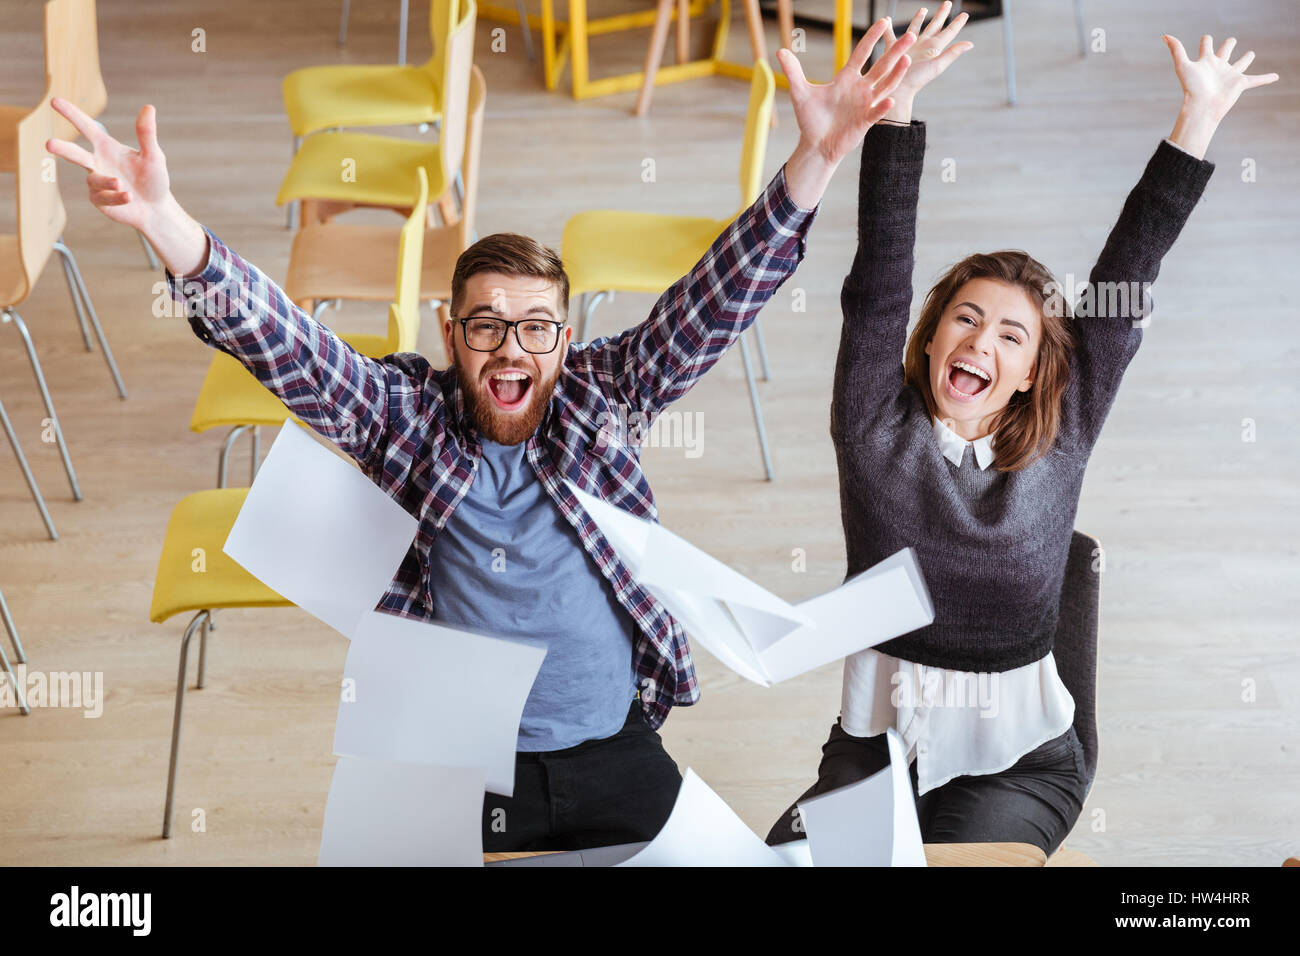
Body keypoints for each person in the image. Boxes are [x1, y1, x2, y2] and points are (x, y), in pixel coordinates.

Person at [45, 19, 920, 852]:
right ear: (450, 333)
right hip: (469, 763)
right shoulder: (409, 420)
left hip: (613, 746)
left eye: (536, 326)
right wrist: (166, 222)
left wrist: (821, 152)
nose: (511, 347)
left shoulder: (603, 397)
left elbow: (714, 302)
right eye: (486, 325)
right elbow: (287, 346)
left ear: (566, 340)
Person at [765, 5, 1278, 856]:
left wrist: (1199, 118)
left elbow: (1127, 273)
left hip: (1018, 766)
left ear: (1037, 372)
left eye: (1011, 336)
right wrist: (895, 108)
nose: (979, 343)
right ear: (929, 338)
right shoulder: (870, 428)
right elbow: (881, 274)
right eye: (964, 320)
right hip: (873, 758)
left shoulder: (1062, 434)